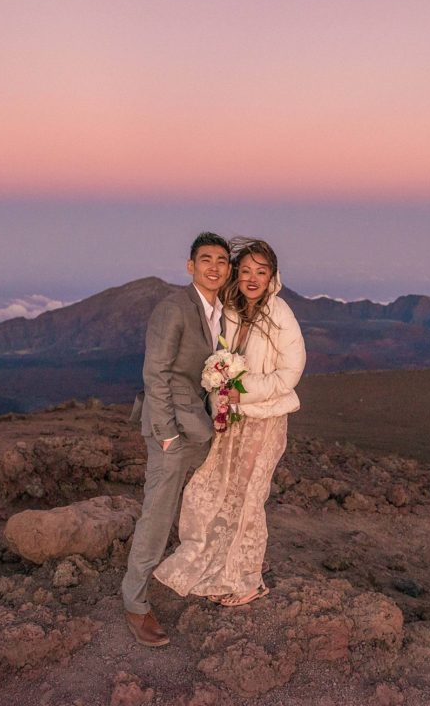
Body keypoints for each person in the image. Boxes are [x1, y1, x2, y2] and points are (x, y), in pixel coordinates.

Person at [153, 238, 306, 607]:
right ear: (237, 275)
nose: (253, 278)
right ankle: (214, 567)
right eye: (247, 270)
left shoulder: (280, 313)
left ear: (272, 277)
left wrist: (243, 391)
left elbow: (290, 373)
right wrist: (219, 393)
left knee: (249, 498)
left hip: (264, 421)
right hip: (231, 420)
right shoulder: (231, 310)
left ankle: (248, 581)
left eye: (262, 271)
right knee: (211, 491)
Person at [122, 232, 231, 647]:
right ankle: (134, 601)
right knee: (158, 513)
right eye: (206, 259)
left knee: (201, 504)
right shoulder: (174, 308)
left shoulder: (219, 311)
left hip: (198, 425)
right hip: (171, 429)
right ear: (191, 266)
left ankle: (202, 573)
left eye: (222, 260)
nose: (214, 267)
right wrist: (166, 433)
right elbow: (157, 373)